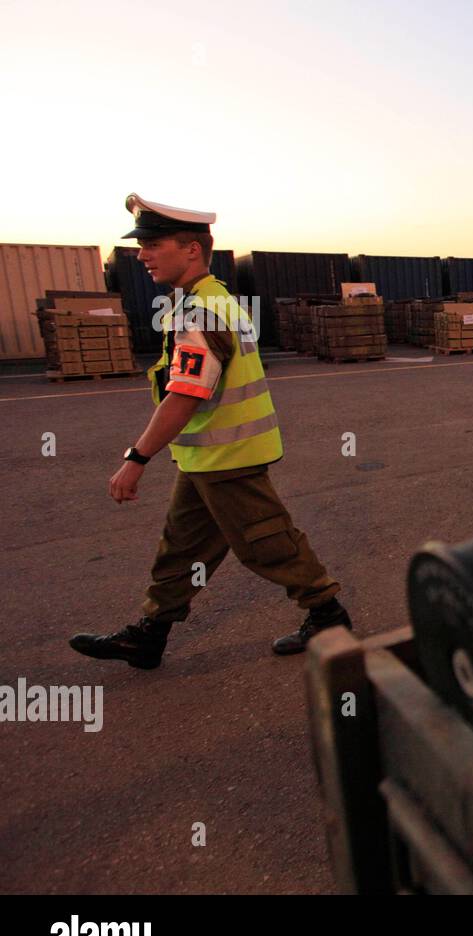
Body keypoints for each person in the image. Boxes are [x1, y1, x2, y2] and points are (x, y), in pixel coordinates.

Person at [69, 194, 352, 670]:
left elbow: (186, 393)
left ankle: (327, 613)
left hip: (230, 457)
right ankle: (149, 635)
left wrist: (135, 459)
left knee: (267, 543)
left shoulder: (201, 310)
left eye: (154, 244)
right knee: (182, 547)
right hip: (206, 457)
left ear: (193, 249)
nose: (142, 254)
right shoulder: (206, 297)